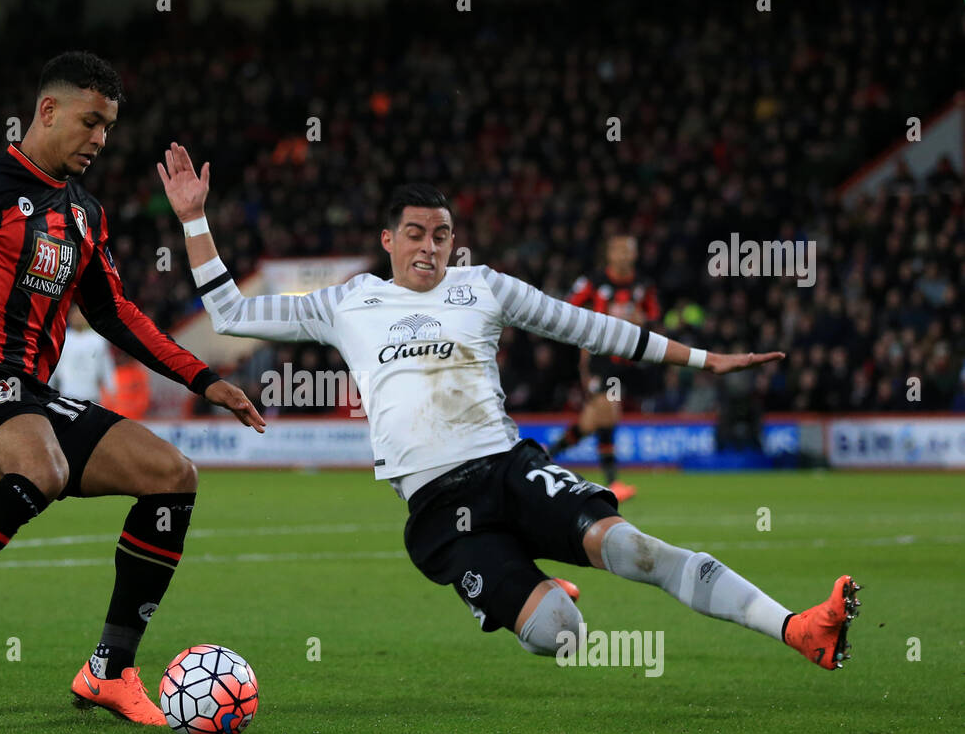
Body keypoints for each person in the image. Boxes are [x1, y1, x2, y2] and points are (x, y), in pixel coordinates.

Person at [158, 147, 860, 671]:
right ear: (387, 240)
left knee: (638, 550)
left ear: (453, 242)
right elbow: (230, 310)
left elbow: (591, 326)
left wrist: (708, 359)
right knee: (559, 634)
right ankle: (529, 576)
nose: (428, 247)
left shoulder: (484, 288)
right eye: (414, 234)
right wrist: (194, 220)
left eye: (440, 235)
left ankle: (799, 628)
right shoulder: (346, 303)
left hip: (506, 467)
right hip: (437, 510)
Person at [0, 52, 264, 724]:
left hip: (28, 394)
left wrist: (203, 377)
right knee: (41, 467)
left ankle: (110, 671)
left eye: (108, 127)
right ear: (46, 112)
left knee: (173, 475)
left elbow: (116, 311)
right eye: (90, 122)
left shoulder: (84, 214)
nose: (100, 140)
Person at [546, 235, 660, 502]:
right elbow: (568, 307)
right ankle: (613, 482)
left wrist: (643, 319)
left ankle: (545, 454)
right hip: (600, 357)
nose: (623, 255)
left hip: (627, 360)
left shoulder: (643, 285)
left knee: (591, 420)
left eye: (628, 250)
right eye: (618, 249)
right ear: (609, 254)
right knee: (609, 412)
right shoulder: (593, 282)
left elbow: (654, 318)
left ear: (634, 254)